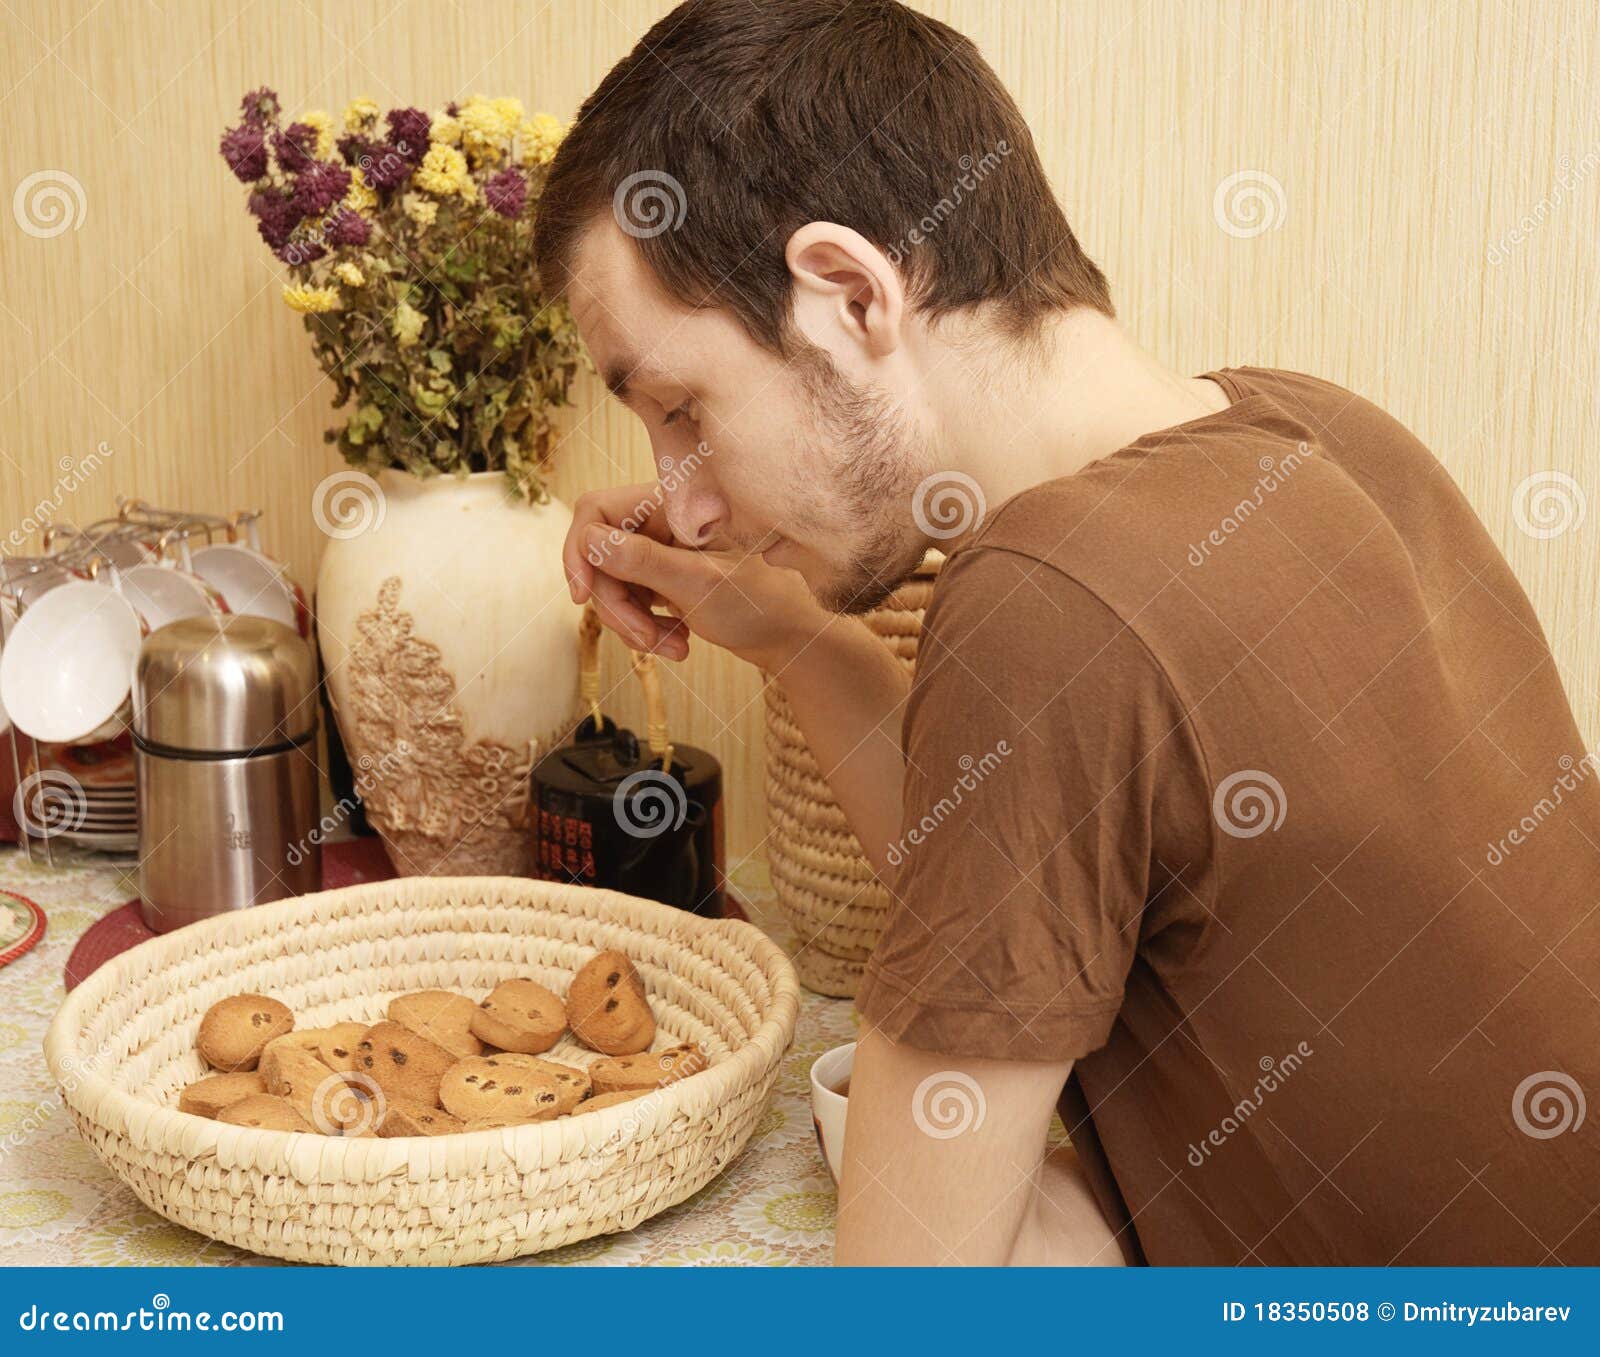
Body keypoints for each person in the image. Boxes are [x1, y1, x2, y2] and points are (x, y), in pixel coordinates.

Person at [535, 0, 1600, 1264]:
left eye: (679, 406)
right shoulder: (1320, 431)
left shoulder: (1047, 599)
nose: (683, 495)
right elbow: (1016, 891)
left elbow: (911, 1293)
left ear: (847, 292)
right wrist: (794, 637)